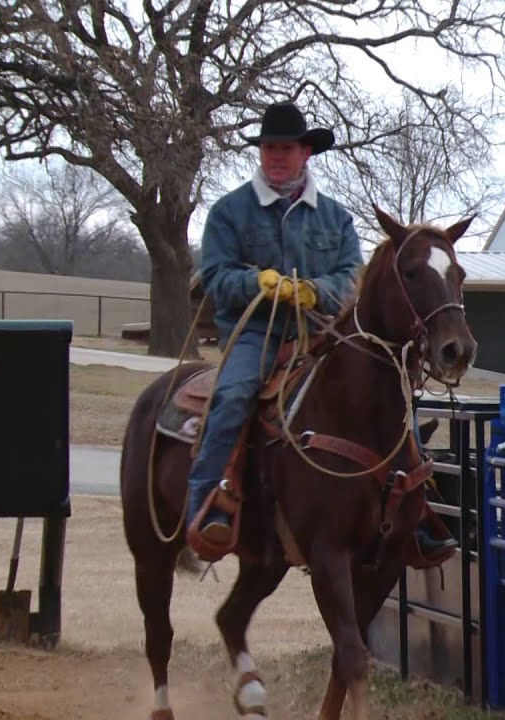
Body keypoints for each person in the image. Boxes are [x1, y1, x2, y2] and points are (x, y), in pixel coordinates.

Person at [187, 101, 456, 561]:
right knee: (233, 396)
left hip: (321, 335)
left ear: (305, 152)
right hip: (255, 335)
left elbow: (350, 273)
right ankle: (211, 504)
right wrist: (259, 283)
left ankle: (416, 513)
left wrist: (317, 291)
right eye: (269, 147)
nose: (276, 156)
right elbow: (214, 277)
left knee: (393, 400)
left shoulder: (335, 217)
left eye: (286, 148)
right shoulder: (229, 212)